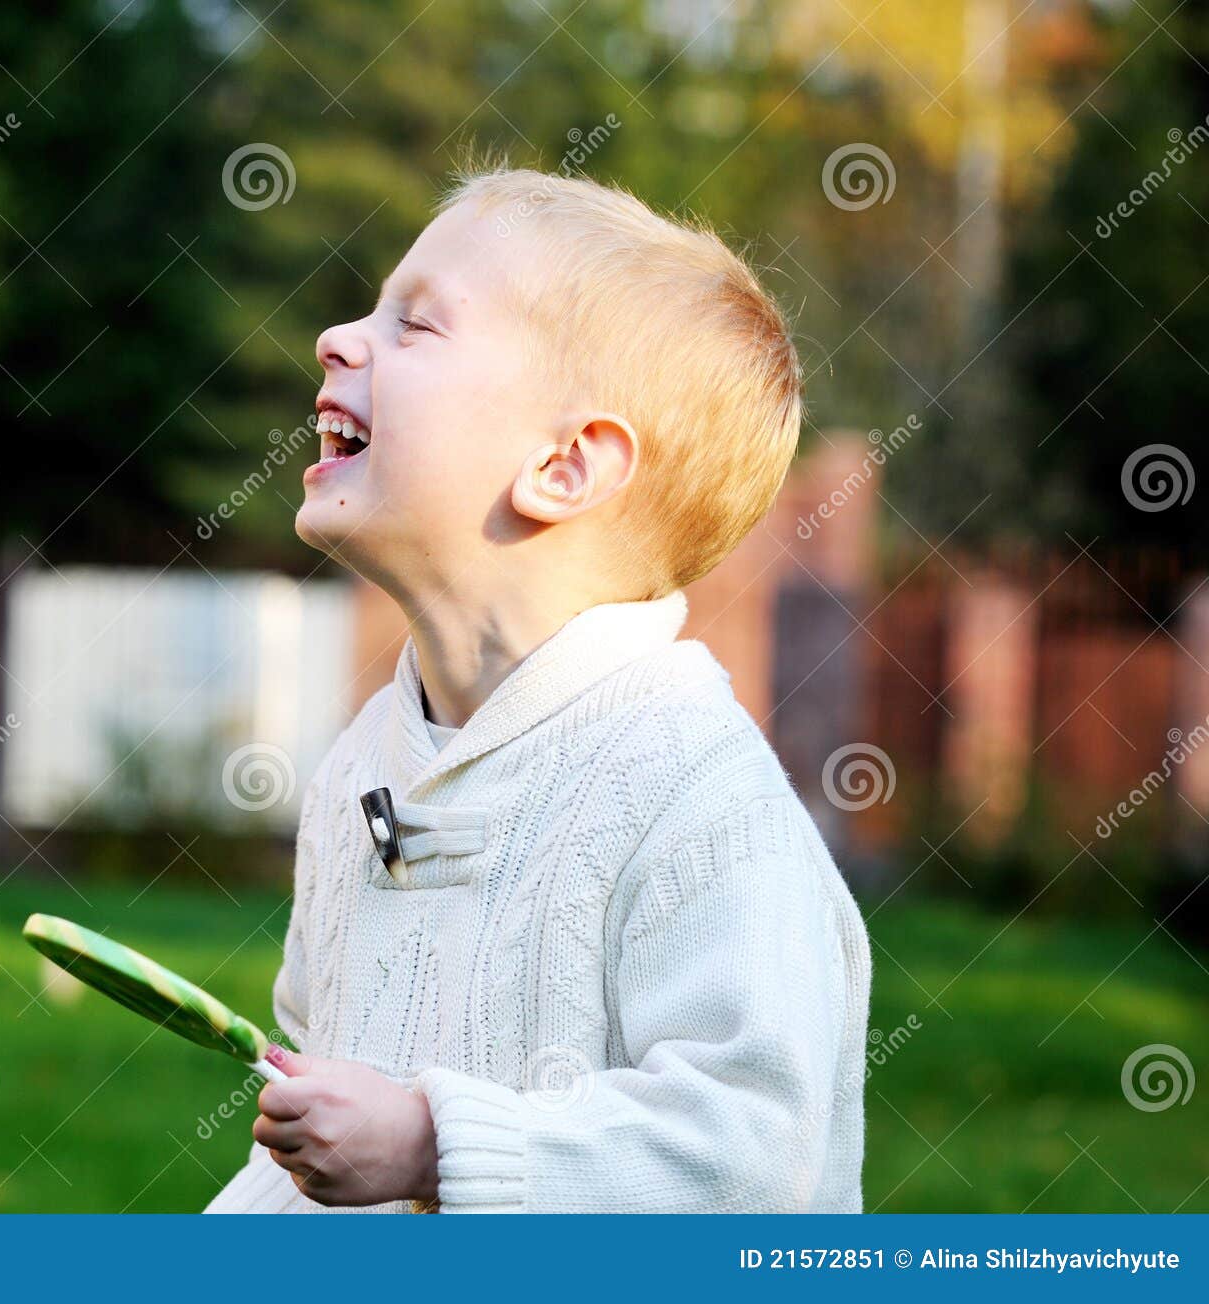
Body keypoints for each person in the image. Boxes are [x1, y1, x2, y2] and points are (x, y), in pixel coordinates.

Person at [206, 166, 871, 1213]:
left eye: (415, 326)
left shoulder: (697, 792)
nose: (337, 336)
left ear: (564, 466)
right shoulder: (359, 773)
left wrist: (435, 1148)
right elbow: (307, 1144)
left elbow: (751, 1155)